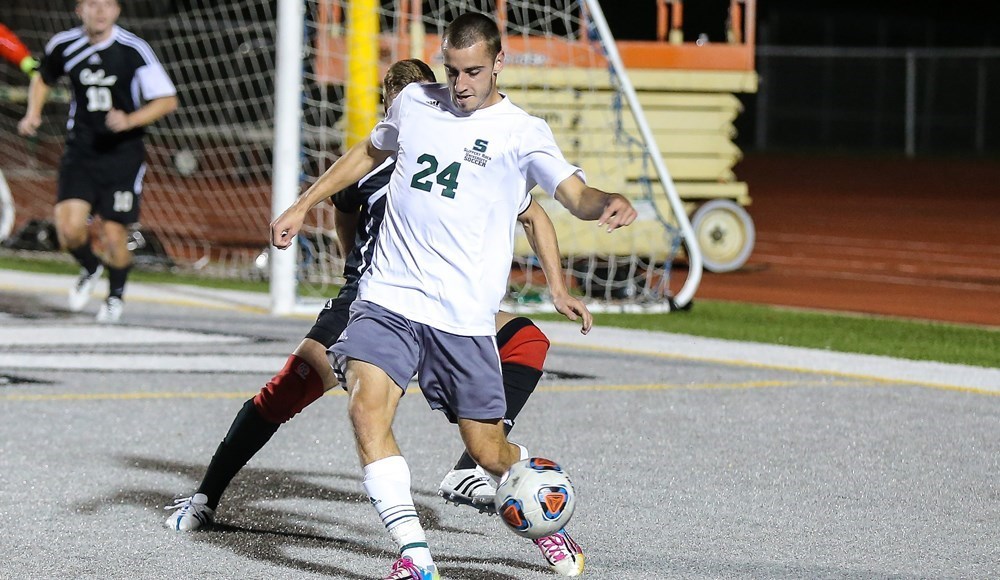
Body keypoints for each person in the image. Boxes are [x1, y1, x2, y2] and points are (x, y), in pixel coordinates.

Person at [270, 13, 636, 579]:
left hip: (462, 319)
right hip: (390, 297)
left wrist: (605, 200)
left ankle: (544, 516)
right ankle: (415, 557)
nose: (460, 84)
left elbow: (574, 195)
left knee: (490, 453)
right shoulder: (415, 102)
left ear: (498, 64)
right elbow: (366, 153)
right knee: (366, 410)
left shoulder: (522, 131)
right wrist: (302, 203)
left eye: (472, 72)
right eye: (452, 70)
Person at [165, 59, 579, 544]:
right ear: (391, 106)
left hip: (445, 303)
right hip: (375, 300)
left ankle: (477, 470)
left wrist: (558, 286)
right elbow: (343, 210)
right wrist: (351, 267)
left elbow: (532, 214)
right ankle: (205, 496)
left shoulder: (462, 155)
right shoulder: (369, 164)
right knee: (285, 393)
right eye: (398, 100)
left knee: (526, 340)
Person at [17, 0, 177, 323]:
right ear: (79, 10)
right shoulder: (64, 45)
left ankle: (115, 295)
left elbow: (167, 99)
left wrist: (130, 120)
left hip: (122, 155)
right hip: (81, 151)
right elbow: (44, 78)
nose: (100, 11)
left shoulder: (133, 49)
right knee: (68, 232)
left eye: (107, 5)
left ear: (117, 11)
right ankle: (90, 267)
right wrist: (33, 113)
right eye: (92, 4)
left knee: (114, 235)